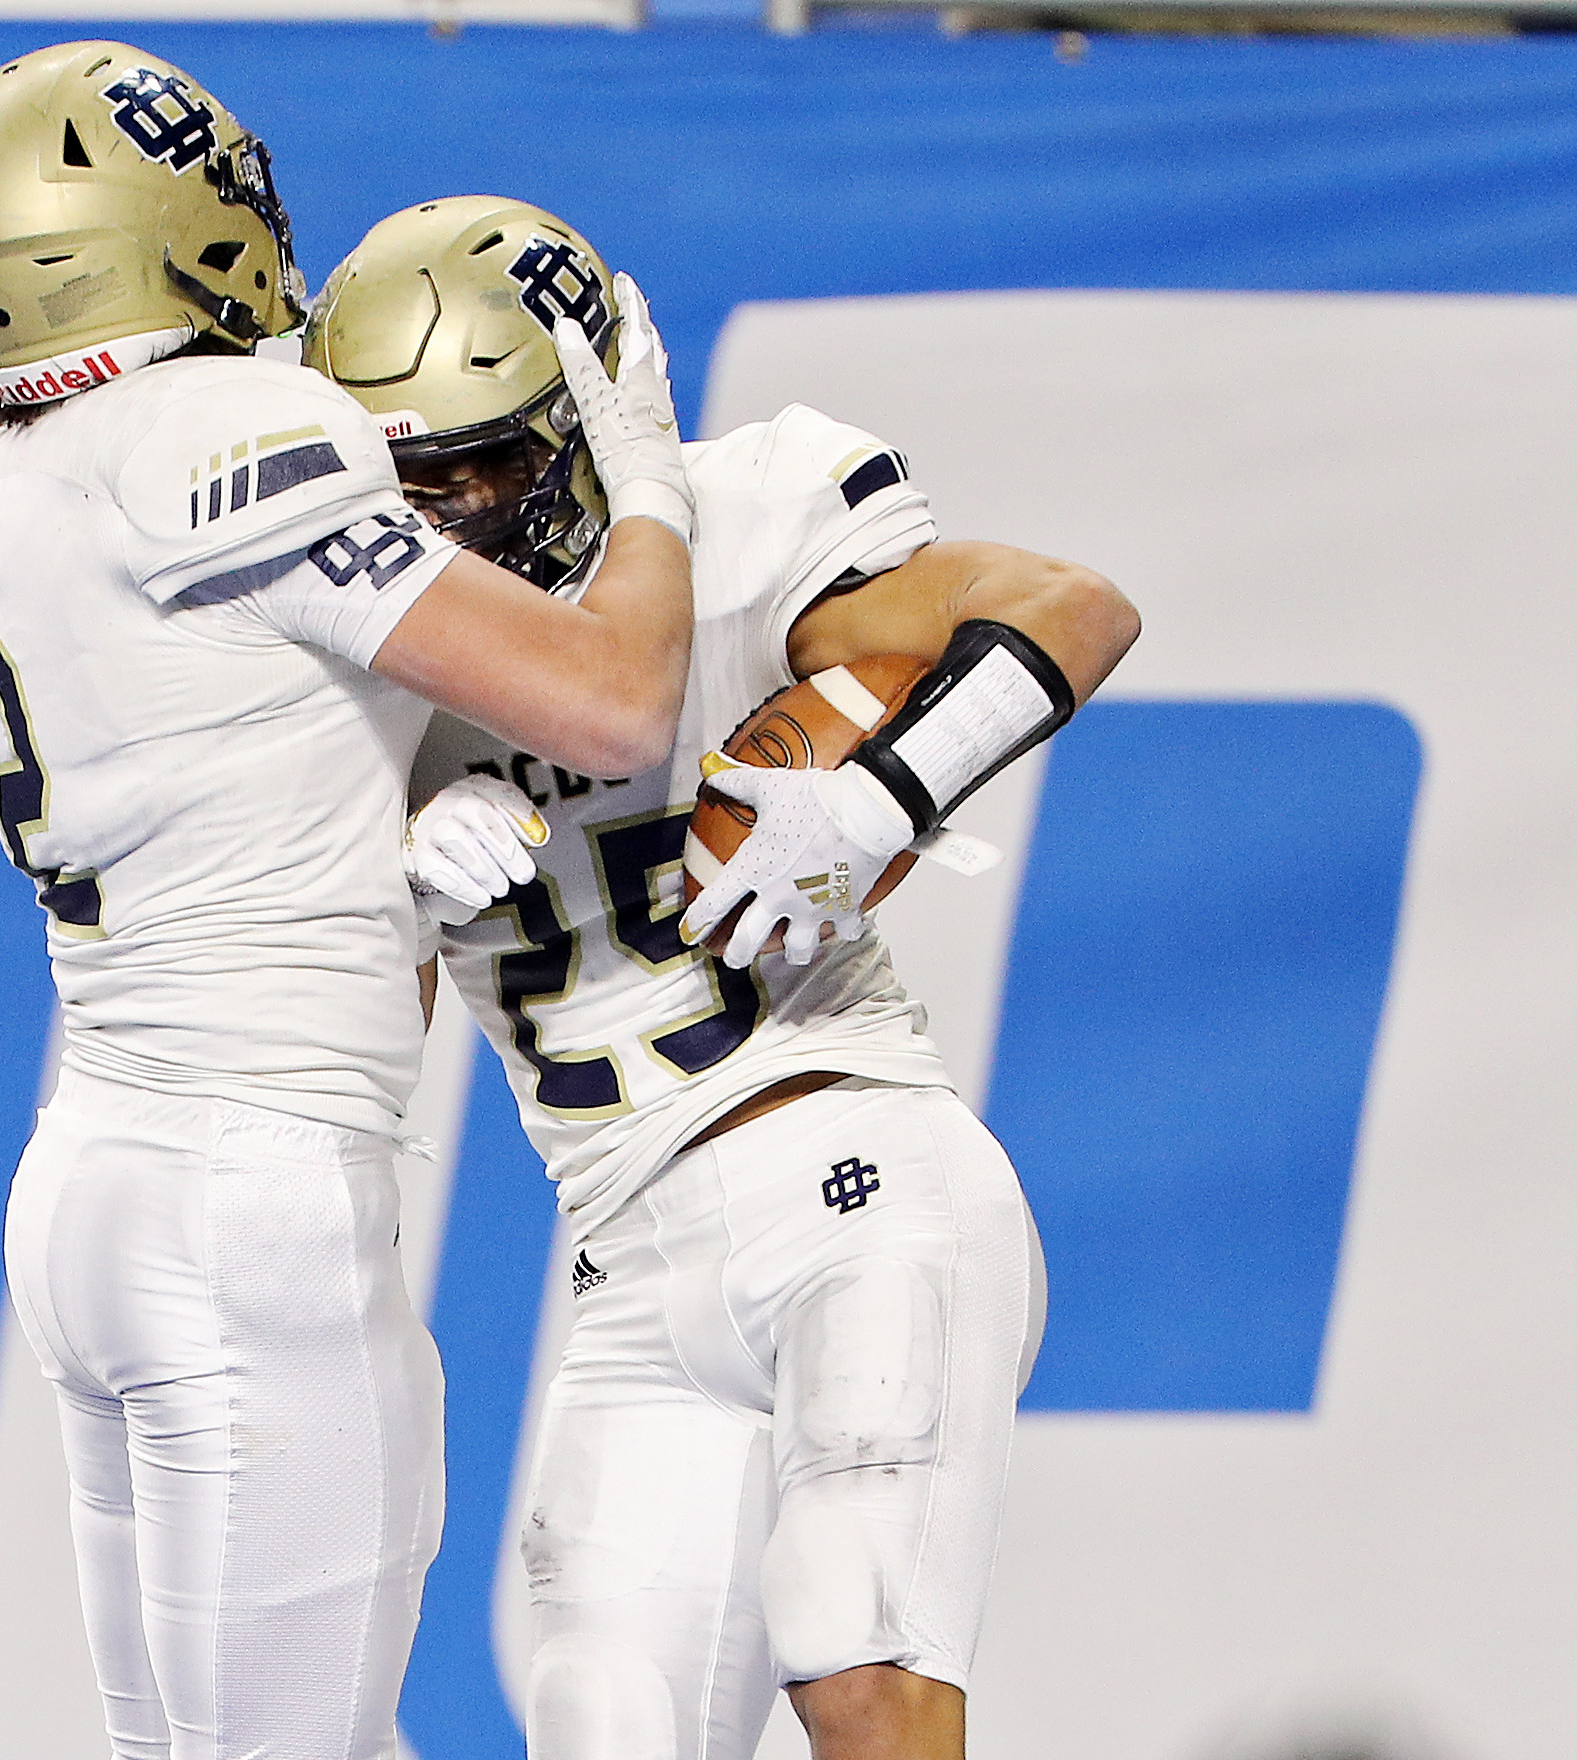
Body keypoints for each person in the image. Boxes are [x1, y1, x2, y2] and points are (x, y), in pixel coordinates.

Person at [0, 56, 699, 1760]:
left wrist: (389, 834)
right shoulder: (229, 433)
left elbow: (239, 724)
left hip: (92, 1175)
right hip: (250, 1203)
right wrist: (646, 466)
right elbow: (618, 704)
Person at [305, 196, 1140, 1760]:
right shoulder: (346, 646)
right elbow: (347, 1070)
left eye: (487, 460)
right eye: (411, 475)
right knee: (603, 1722)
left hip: (851, 1161)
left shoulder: (745, 518)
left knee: (855, 1630)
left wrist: (881, 797)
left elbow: (1069, 609)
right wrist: (390, 884)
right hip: (624, 1257)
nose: (454, 512)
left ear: (587, 422)